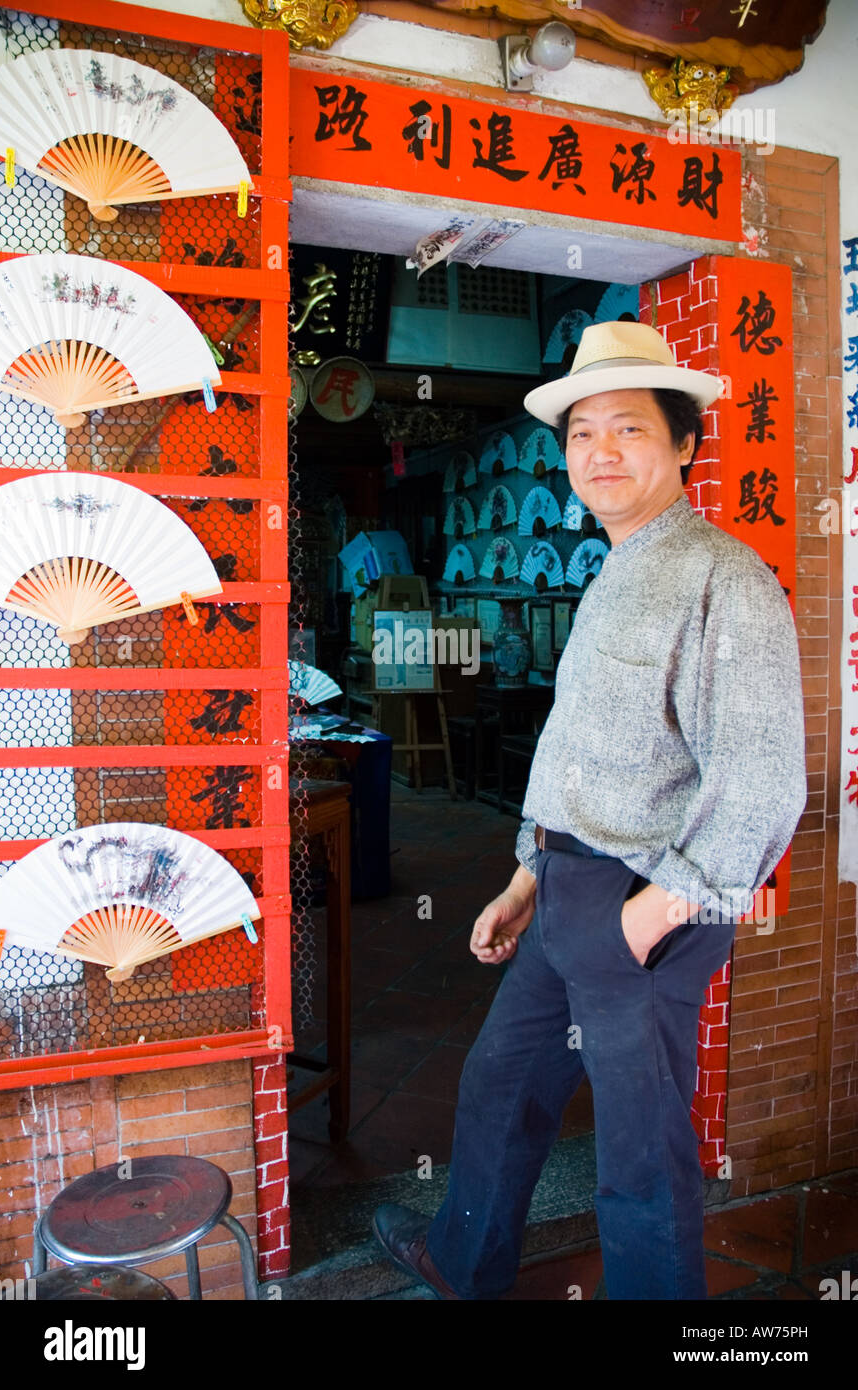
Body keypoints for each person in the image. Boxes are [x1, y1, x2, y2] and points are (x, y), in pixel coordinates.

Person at [372, 320, 807, 1301]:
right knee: (502, 1082)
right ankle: (464, 1255)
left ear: (687, 441)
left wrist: (644, 919)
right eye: (581, 433)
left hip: (643, 903)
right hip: (569, 891)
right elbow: (579, 746)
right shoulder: (614, 568)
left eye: (629, 429)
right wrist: (530, 874)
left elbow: (764, 780)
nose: (599, 453)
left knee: (642, 1154)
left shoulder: (722, 579)